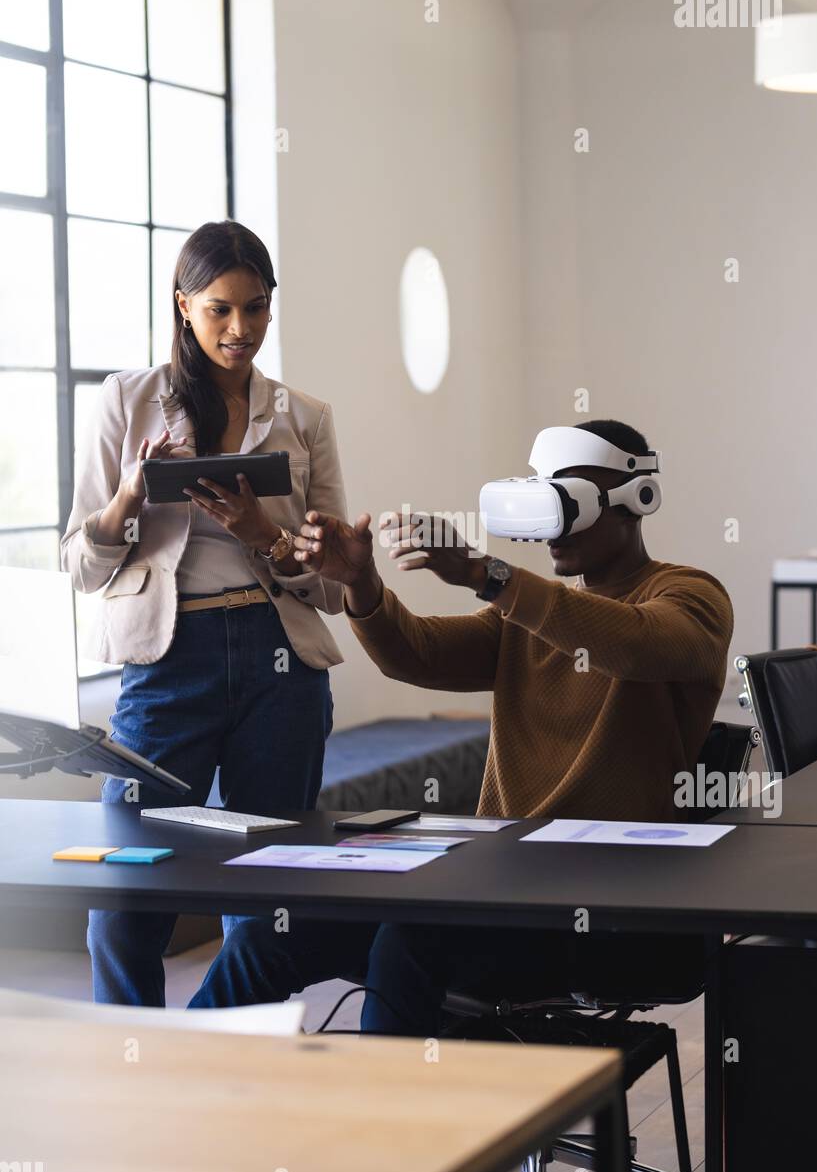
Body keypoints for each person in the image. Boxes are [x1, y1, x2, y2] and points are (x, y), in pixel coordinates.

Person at [285, 418, 735, 1035]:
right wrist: (362, 584)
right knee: (279, 929)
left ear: (637, 501)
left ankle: (387, 1124)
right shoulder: (532, 614)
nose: (554, 528)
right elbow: (415, 655)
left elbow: (637, 645)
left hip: (606, 910)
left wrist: (485, 575)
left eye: (569, 504)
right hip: (501, 879)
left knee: (410, 938)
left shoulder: (691, 595)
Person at [60, 219, 347, 1007]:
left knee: (268, 905)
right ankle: (139, 1074)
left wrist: (269, 538)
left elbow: (335, 585)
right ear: (182, 305)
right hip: (167, 659)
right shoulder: (128, 399)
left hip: (279, 659)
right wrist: (127, 497)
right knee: (123, 903)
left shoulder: (305, 417)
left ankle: (219, 1059)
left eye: (256, 309)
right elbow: (79, 565)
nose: (240, 329)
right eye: (220, 309)